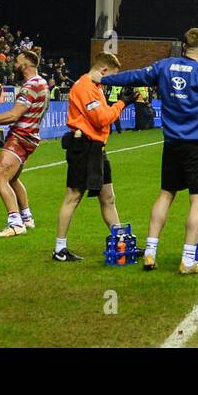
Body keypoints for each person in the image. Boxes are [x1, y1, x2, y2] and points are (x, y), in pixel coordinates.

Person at [100, 28, 198, 274]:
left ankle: (150, 253)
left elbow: (134, 77)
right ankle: (187, 259)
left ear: (183, 47)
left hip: (172, 145)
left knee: (165, 195)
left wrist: (103, 79)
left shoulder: (164, 66)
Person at [53, 53, 128, 263]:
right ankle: (60, 249)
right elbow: (101, 119)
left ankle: (121, 242)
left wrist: (120, 104)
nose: (110, 82)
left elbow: (104, 117)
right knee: (73, 196)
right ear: (104, 71)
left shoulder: (96, 88)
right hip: (83, 148)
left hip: (96, 149)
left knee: (108, 197)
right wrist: (122, 104)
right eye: (111, 76)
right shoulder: (85, 87)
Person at [0, 49, 48, 237]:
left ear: (27, 63)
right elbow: (22, 114)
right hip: (30, 136)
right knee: (12, 179)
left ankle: (15, 224)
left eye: (17, 60)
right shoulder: (42, 83)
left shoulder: (31, 85)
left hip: (20, 137)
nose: (13, 64)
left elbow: (15, 114)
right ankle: (27, 217)